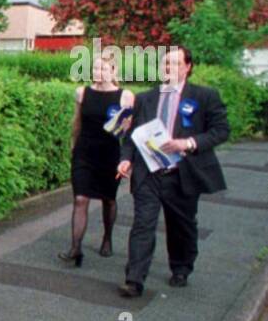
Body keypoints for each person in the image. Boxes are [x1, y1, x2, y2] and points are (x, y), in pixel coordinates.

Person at [117, 45, 229, 297]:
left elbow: (221, 130)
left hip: (182, 174)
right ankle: (134, 279)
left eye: (175, 64)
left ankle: (181, 267)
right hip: (149, 174)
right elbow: (131, 136)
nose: (169, 68)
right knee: (142, 224)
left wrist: (188, 143)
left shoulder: (205, 97)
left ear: (187, 67)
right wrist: (126, 160)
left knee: (181, 225)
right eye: (166, 63)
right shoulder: (145, 98)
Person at [59, 48, 134, 266]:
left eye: (103, 68)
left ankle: (107, 237)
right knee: (80, 198)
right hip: (84, 152)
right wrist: (73, 145)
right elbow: (77, 122)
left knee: (108, 200)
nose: (98, 72)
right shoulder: (82, 92)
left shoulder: (125, 96)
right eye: (95, 68)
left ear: (113, 71)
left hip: (110, 153)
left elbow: (127, 130)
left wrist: (127, 158)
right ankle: (75, 248)